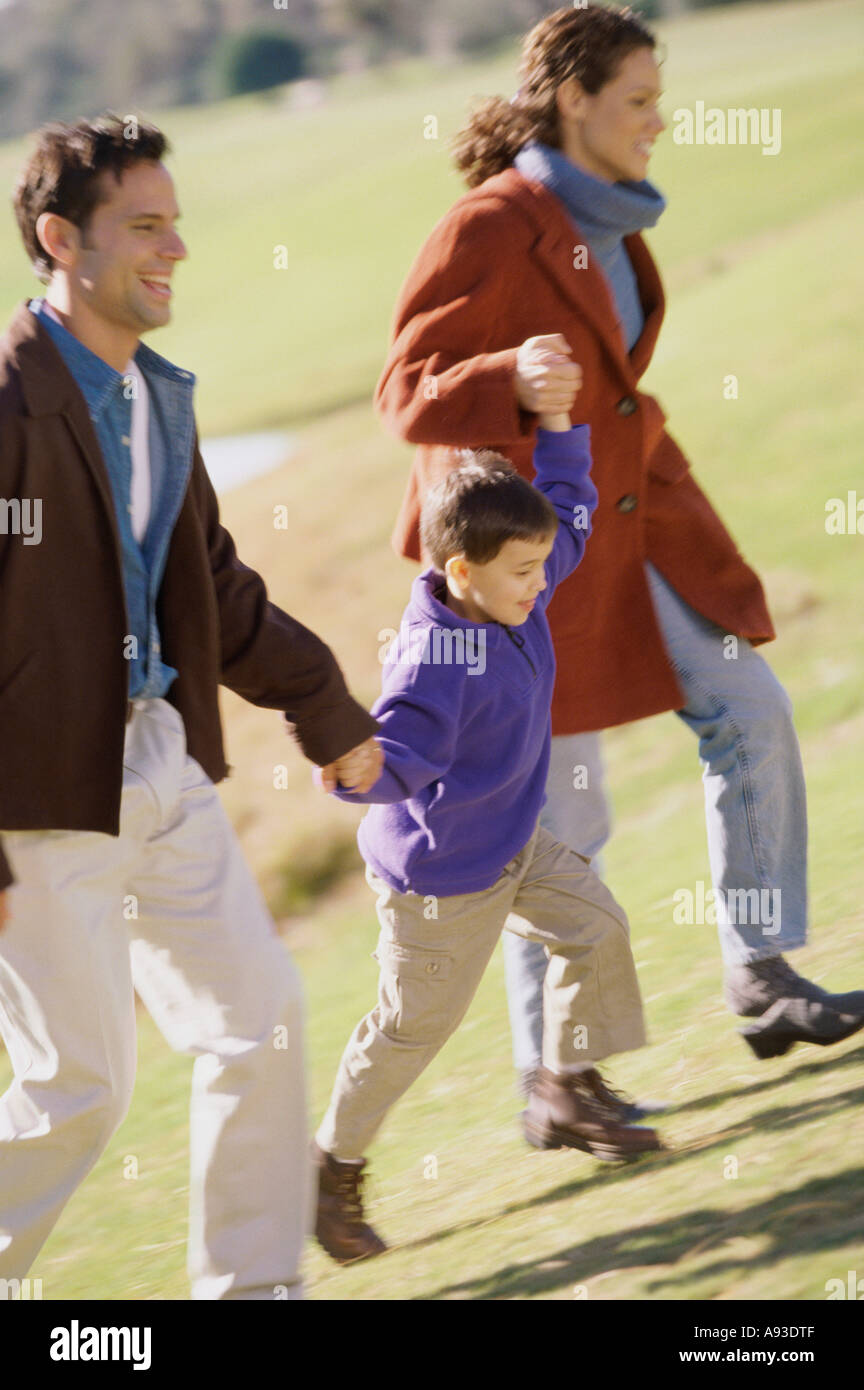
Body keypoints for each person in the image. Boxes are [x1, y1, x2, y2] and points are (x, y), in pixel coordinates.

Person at [373, 4, 864, 1089]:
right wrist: (503, 378)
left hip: (639, 524)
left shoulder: (613, 219)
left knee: (751, 708)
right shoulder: (491, 225)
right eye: (638, 101)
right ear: (575, 100)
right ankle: (559, 1078)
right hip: (529, 558)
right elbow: (404, 393)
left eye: (658, 99)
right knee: (559, 810)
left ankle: (764, 971)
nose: (658, 121)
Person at [0, 113, 382, 1300]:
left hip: (161, 760)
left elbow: (209, 585)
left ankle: (253, 1288)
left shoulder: (155, 397)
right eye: (146, 226)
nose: (175, 250)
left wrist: (330, 711)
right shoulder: (9, 407)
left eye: (179, 225)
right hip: (42, 798)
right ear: (62, 239)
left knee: (256, 1017)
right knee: (79, 1091)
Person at [312, 362, 664, 1267]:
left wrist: (556, 421)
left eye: (542, 564)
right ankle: (328, 1167)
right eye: (523, 572)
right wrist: (358, 769)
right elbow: (398, 754)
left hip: (512, 840)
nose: (542, 583)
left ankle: (566, 1087)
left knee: (597, 926)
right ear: (460, 570)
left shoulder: (518, 576)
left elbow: (566, 506)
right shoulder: (438, 658)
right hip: (439, 880)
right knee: (409, 1033)